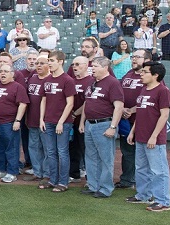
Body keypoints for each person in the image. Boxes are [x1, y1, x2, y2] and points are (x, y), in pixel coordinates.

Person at [126, 61, 170, 212]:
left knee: (159, 171)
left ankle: (163, 201)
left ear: (155, 75)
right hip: (141, 136)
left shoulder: (163, 91)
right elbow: (140, 113)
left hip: (154, 139)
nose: (141, 74)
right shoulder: (144, 89)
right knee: (141, 168)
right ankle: (143, 195)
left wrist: (154, 136)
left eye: (145, 72)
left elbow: (164, 115)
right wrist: (132, 131)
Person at [78, 57, 124, 198]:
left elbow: (119, 106)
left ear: (105, 68)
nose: (93, 69)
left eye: (96, 66)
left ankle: (105, 188)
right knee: (91, 157)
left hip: (104, 124)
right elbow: (87, 103)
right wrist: (82, 122)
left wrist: (112, 126)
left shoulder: (113, 83)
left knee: (106, 158)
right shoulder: (92, 82)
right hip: (90, 124)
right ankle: (93, 185)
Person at [38, 50, 75, 193]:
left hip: (63, 123)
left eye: (51, 61)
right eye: (49, 60)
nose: (49, 63)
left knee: (62, 152)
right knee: (51, 152)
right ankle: (53, 180)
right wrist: (42, 118)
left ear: (60, 62)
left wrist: (61, 121)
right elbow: (43, 100)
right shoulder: (47, 80)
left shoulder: (67, 80)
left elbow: (70, 103)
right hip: (48, 121)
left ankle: (63, 182)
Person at [0, 65, 29, 183]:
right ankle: (0, 169)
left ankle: (12, 172)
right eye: (1, 72)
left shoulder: (17, 87)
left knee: (11, 149)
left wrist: (18, 120)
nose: (2, 74)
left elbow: (23, 104)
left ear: (12, 74)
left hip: (9, 123)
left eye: (5, 71)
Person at [118, 49, 151, 189]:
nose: (134, 59)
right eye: (133, 57)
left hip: (142, 121)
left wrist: (132, 110)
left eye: (138, 57)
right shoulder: (128, 74)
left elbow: (151, 98)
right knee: (127, 152)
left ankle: (142, 182)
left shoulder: (150, 77)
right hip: (126, 121)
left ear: (147, 60)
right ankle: (127, 180)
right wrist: (123, 109)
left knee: (143, 153)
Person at [67, 56, 93, 184]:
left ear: (86, 65)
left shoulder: (91, 81)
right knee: (72, 148)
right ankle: (74, 174)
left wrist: (75, 113)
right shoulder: (70, 81)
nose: (74, 67)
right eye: (73, 64)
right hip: (71, 122)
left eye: (77, 64)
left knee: (86, 150)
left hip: (85, 121)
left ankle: (90, 177)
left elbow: (89, 101)